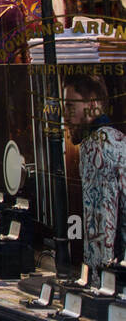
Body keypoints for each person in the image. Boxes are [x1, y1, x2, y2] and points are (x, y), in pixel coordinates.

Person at [65, 73, 126, 286]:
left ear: (92, 105)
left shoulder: (95, 146)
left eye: (70, 105)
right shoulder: (117, 139)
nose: (65, 115)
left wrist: (94, 288)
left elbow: (100, 234)